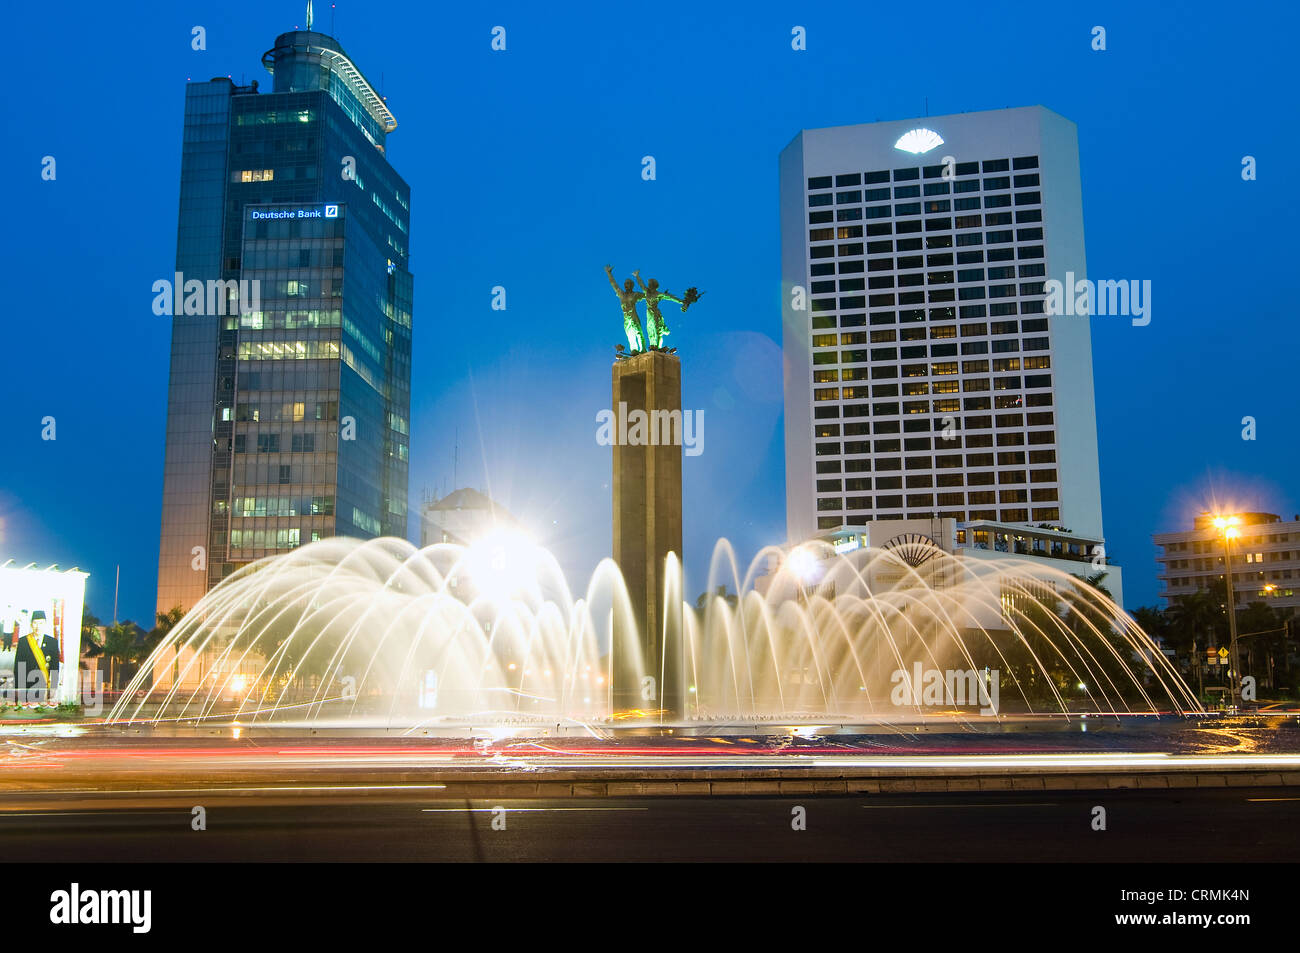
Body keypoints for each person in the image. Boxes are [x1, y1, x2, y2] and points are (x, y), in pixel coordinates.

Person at [14, 610, 60, 705]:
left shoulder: (52, 642)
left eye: (41, 623)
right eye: (35, 623)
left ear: (45, 624)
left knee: (42, 713)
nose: (38, 626)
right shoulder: (23, 641)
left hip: (44, 686)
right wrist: (19, 688)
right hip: (26, 686)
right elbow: (18, 667)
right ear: (31, 624)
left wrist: (53, 688)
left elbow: (55, 667)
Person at [604, 264, 646, 354]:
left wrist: (659, 295)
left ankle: (643, 349)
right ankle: (634, 349)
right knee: (630, 334)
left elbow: (647, 295)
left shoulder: (635, 294)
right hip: (626, 318)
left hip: (633, 315)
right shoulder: (621, 294)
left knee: (639, 332)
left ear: (632, 285)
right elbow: (613, 284)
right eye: (625, 284)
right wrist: (608, 273)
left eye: (628, 284)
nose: (626, 285)